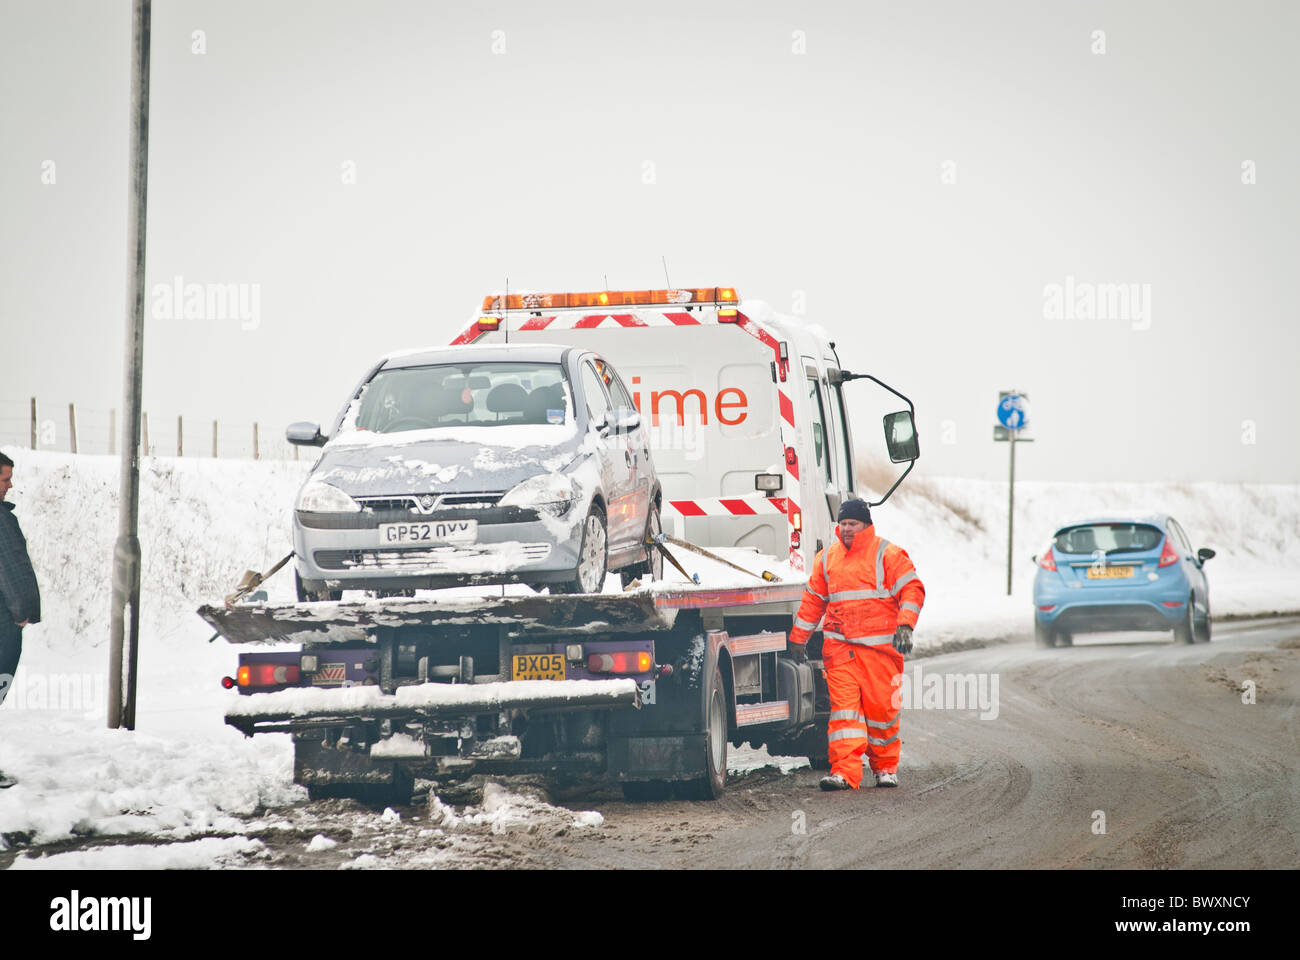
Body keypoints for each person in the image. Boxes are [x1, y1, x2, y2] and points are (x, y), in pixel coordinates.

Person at [788, 498, 924, 790]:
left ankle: (885, 768)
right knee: (844, 714)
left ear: (865, 524)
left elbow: (912, 589)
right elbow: (814, 600)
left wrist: (905, 625)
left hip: (880, 653)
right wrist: (798, 639)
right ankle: (844, 772)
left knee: (882, 715)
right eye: (844, 523)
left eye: (853, 524)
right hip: (841, 651)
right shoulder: (826, 559)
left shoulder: (888, 554)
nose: (847, 529)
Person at [0, 451, 41, 712]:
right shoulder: (1, 521)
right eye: (5, 479)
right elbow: (9, 567)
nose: (11, 485)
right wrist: (23, 612)